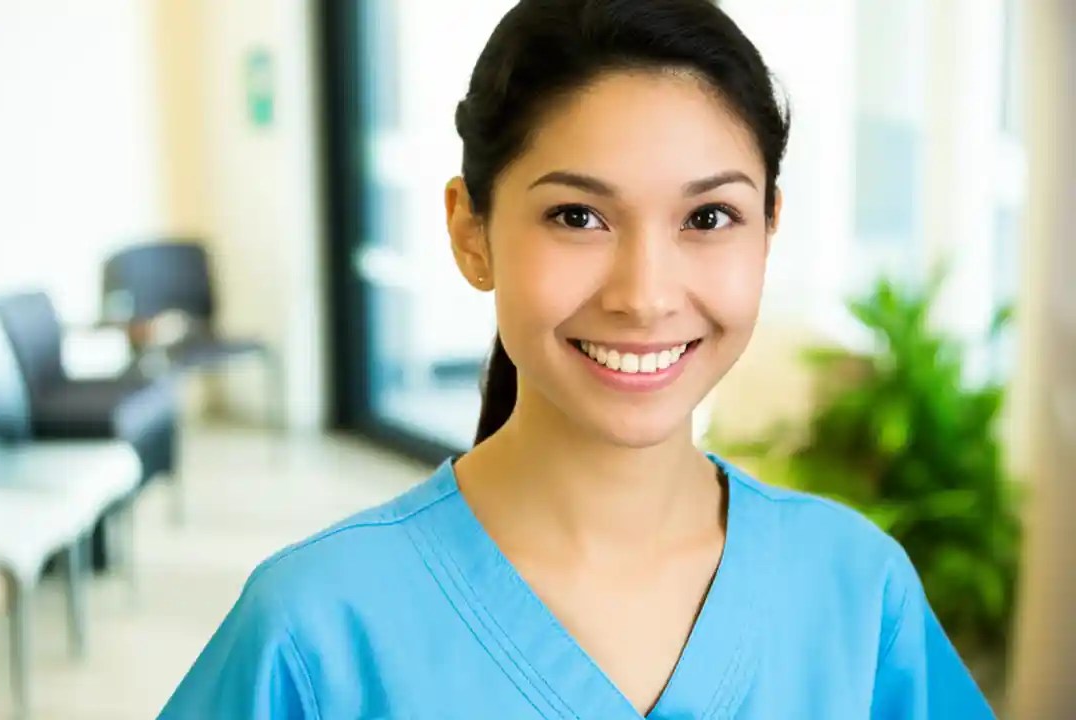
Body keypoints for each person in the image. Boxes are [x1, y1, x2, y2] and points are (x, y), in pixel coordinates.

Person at [159, 0, 994, 717]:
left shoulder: (856, 595)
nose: (644, 294)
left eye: (707, 219)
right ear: (470, 232)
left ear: (769, 228)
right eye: (578, 217)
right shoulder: (317, 631)